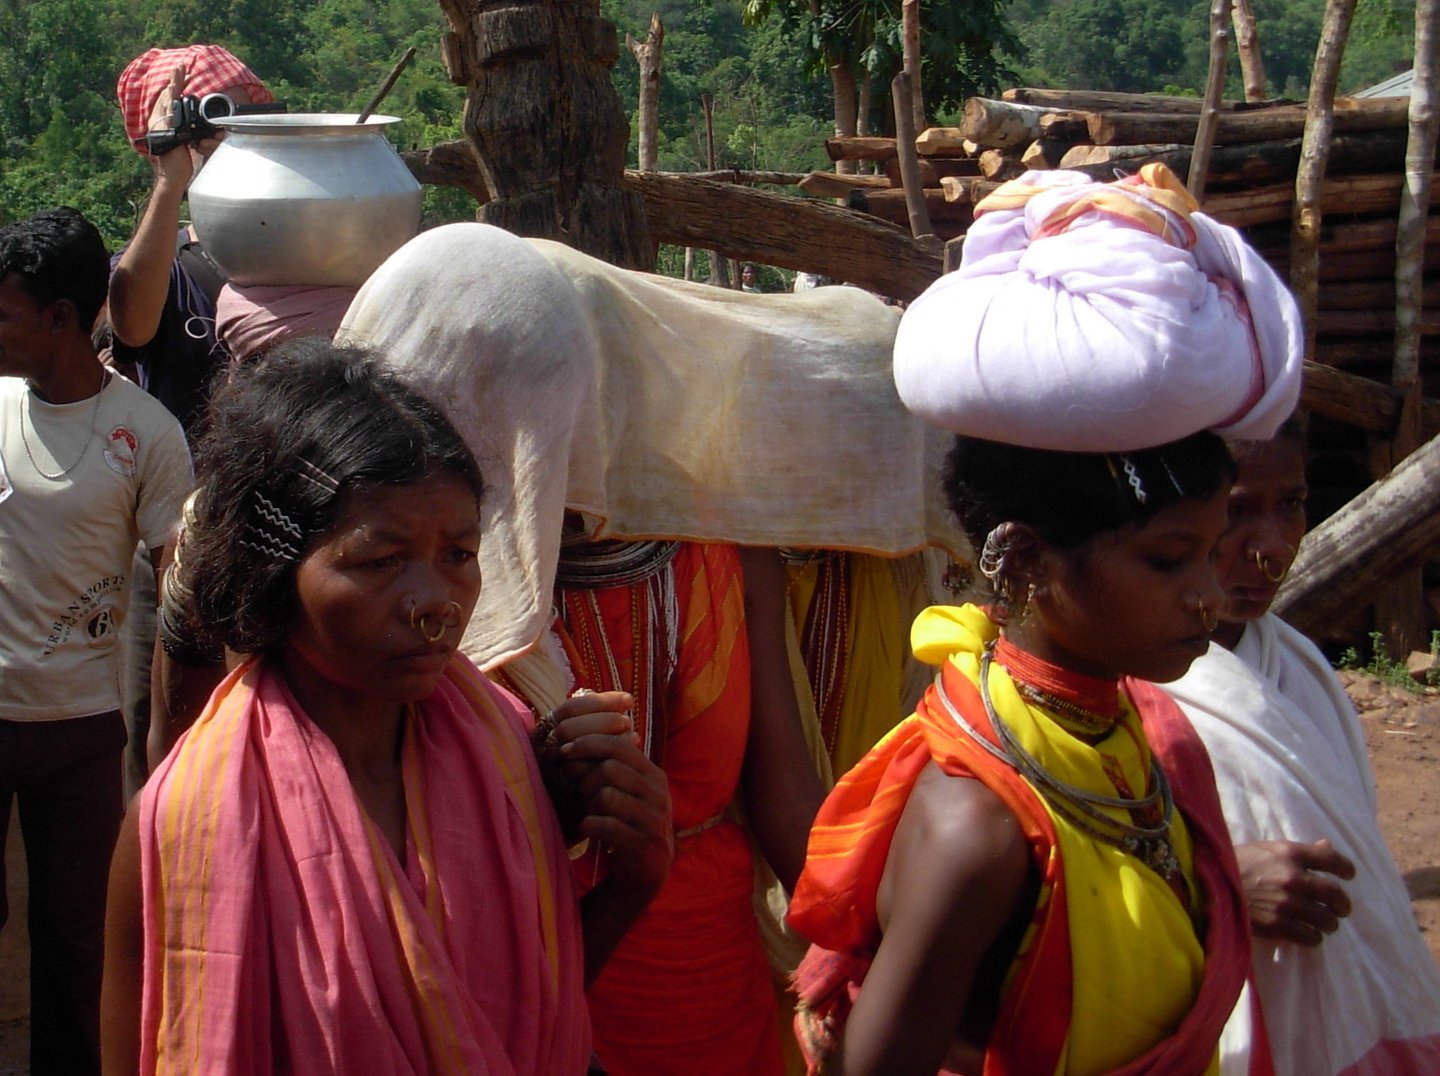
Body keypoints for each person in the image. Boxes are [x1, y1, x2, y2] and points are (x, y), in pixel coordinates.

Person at [787, 163, 1305, 1075]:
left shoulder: (1131, 736)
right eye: (1166, 561)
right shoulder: (976, 832)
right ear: (1025, 561)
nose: (1210, 597)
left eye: (1209, 551)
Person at [100, 339, 673, 1075]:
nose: (436, 604)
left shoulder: (513, 760)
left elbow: (511, 1021)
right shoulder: (192, 819)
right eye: (379, 561)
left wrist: (633, 878)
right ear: (276, 570)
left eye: (459, 555)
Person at [1164, 423, 1440, 1075]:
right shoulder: (1113, 685)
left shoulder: (1297, 669)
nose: (1273, 550)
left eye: (1290, 505)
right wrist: (1220, 883)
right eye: (1237, 511)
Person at [0, 207, 192, 1075]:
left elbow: (182, 584)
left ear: (61, 319)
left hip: (82, 732)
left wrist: (170, 739)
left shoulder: (145, 436)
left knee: (80, 945)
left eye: (3, 312)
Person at [109, 43, 274, 797]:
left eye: (239, 118)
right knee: (171, 723)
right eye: (208, 123)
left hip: (278, 529)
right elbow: (133, 325)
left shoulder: (289, 251)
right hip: (174, 541)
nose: (227, 137)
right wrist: (171, 184)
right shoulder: (161, 261)